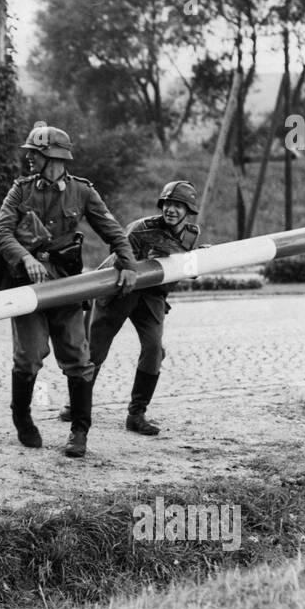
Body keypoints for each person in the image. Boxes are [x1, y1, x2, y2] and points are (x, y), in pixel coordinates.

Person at [0, 122, 138, 458]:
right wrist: (26, 258)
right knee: (28, 359)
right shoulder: (21, 190)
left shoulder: (82, 192)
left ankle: (79, 431)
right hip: (27, 288)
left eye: (35, 154)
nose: (29, 160)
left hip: (67, 287)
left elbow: (112, 230)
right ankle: (22, 418)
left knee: (77, 358)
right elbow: (0, 232)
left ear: (52, 157)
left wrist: (127, 264)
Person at [61, 180, 202, 436]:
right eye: (168, 204)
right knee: (95, 351)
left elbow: (184, 266)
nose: (171, 210)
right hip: (119, 291)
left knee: (153, 350)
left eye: (179, 206)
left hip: (152, 297)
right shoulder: (140, 229)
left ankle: (137, 413)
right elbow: (118, 255)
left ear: (188, 211)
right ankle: (76, 405)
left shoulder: (192, 235)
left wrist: (201, 260)